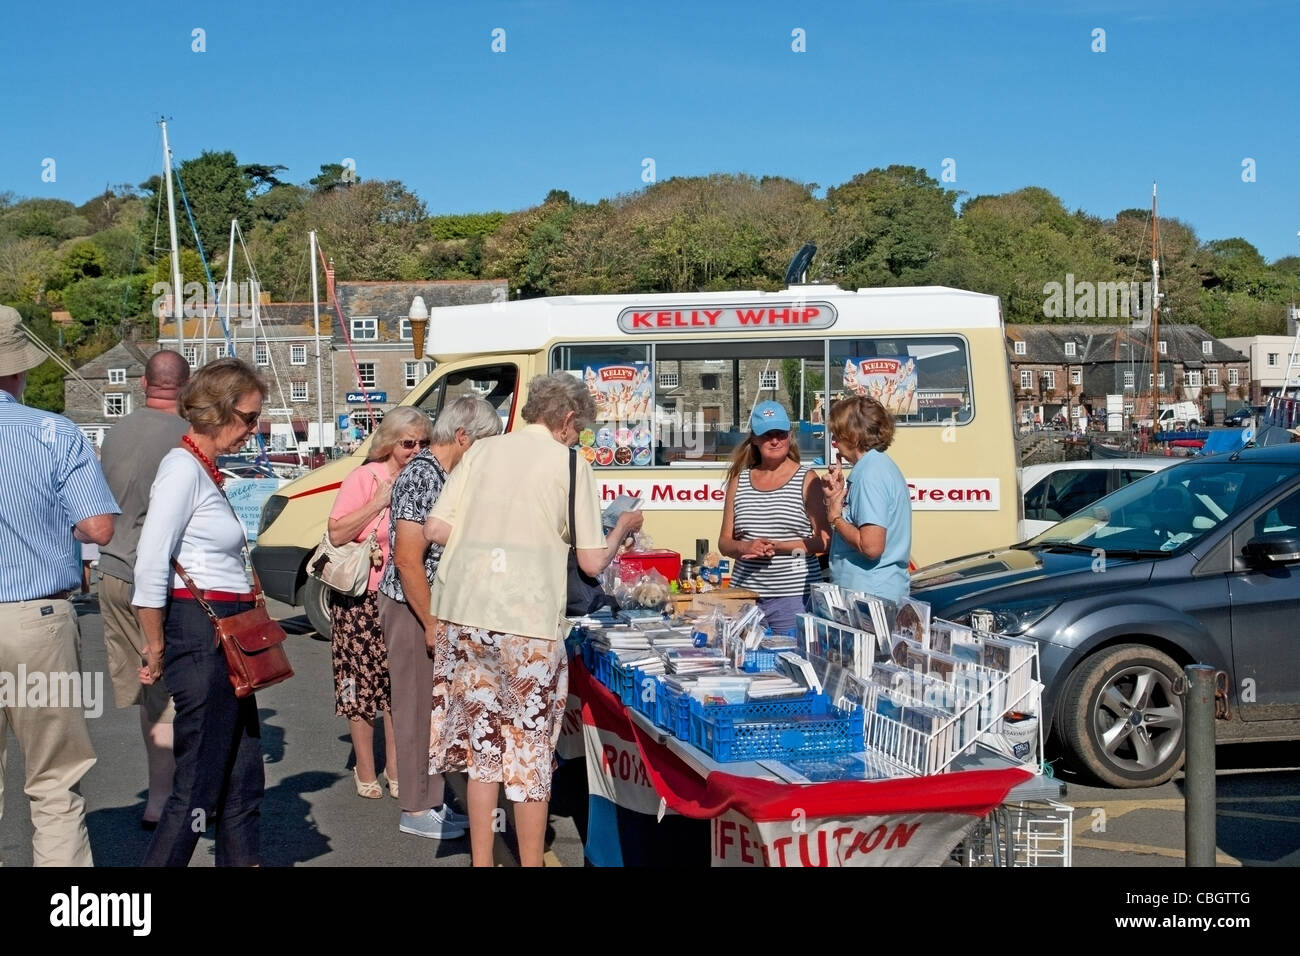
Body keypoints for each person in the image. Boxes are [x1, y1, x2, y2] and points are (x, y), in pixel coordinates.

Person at [422, 371, 643, 867]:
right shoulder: (569, 464)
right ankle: (528, 862)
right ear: (566, 419)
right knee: (528, 755)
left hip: (464, 613)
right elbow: (590, 562)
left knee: (483, 751)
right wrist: (622, 527)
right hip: (526, 621)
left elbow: (436, 528)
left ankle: (481, 860)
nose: (578, 436)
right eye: (580, 428)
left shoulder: (482, 451)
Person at [133, 357, 268, 866]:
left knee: (241, 777)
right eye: (250, 418)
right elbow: (151, 560)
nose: (255, 430)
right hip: (202, 631)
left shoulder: (202, 470)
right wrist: (156, 644)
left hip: (222, 632)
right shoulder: (181, 468)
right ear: (218, 411)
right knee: (197, 786)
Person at [0, 305, 119, 866]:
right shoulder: (52, 432)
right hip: (35, 620)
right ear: (18, 371)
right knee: (53, 777)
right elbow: (98, 527)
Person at [376, 398, 501, 840]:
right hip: (413, 608)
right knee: (414, 709)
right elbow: (409, 560)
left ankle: (431, 799)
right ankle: (415, 807)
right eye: (487, 441)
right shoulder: (422, 476)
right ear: (464, 436)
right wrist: (431, 623)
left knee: (435, 710)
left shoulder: (445, 474)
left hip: (431, 606)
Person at [97, 348, 191, 830]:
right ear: (187, 386)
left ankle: (158, 796)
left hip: (112, 569)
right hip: (160, 578)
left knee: (146, 687)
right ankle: (177, 795)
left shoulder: (112, 433)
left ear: (143, 385)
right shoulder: (187, 439)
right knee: (176, 687)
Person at [325, 412, 418, 799]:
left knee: (397, 686)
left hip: (399, 596)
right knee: (359, 687)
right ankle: (365, 767)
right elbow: (336, 531)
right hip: (359, 597)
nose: (416, 451)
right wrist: (378, 502)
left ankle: (396, 767)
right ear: (389, 443)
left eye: (423, 443)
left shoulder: (419, 479)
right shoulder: (364, 478)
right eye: (408, 443)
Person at [717, 400, 829, 634]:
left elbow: (823, 541)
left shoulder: (807, 480)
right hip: (745, 595)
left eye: (780, 433)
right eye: (767, 435)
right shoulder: (739, 481)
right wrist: (746, 546)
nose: (775, 440)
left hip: (793, 596)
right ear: (755, 440)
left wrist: (781, 547)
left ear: (790, 435)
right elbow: (724, 543)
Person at [822, 394, 912, 604]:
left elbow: (871, 547)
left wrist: (835, 518)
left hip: (869, 597)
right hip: (876, 592)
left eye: (837, 434)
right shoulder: (878, 466)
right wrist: (835, 496)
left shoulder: (869, 474)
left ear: (854, 435)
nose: (834, 442)